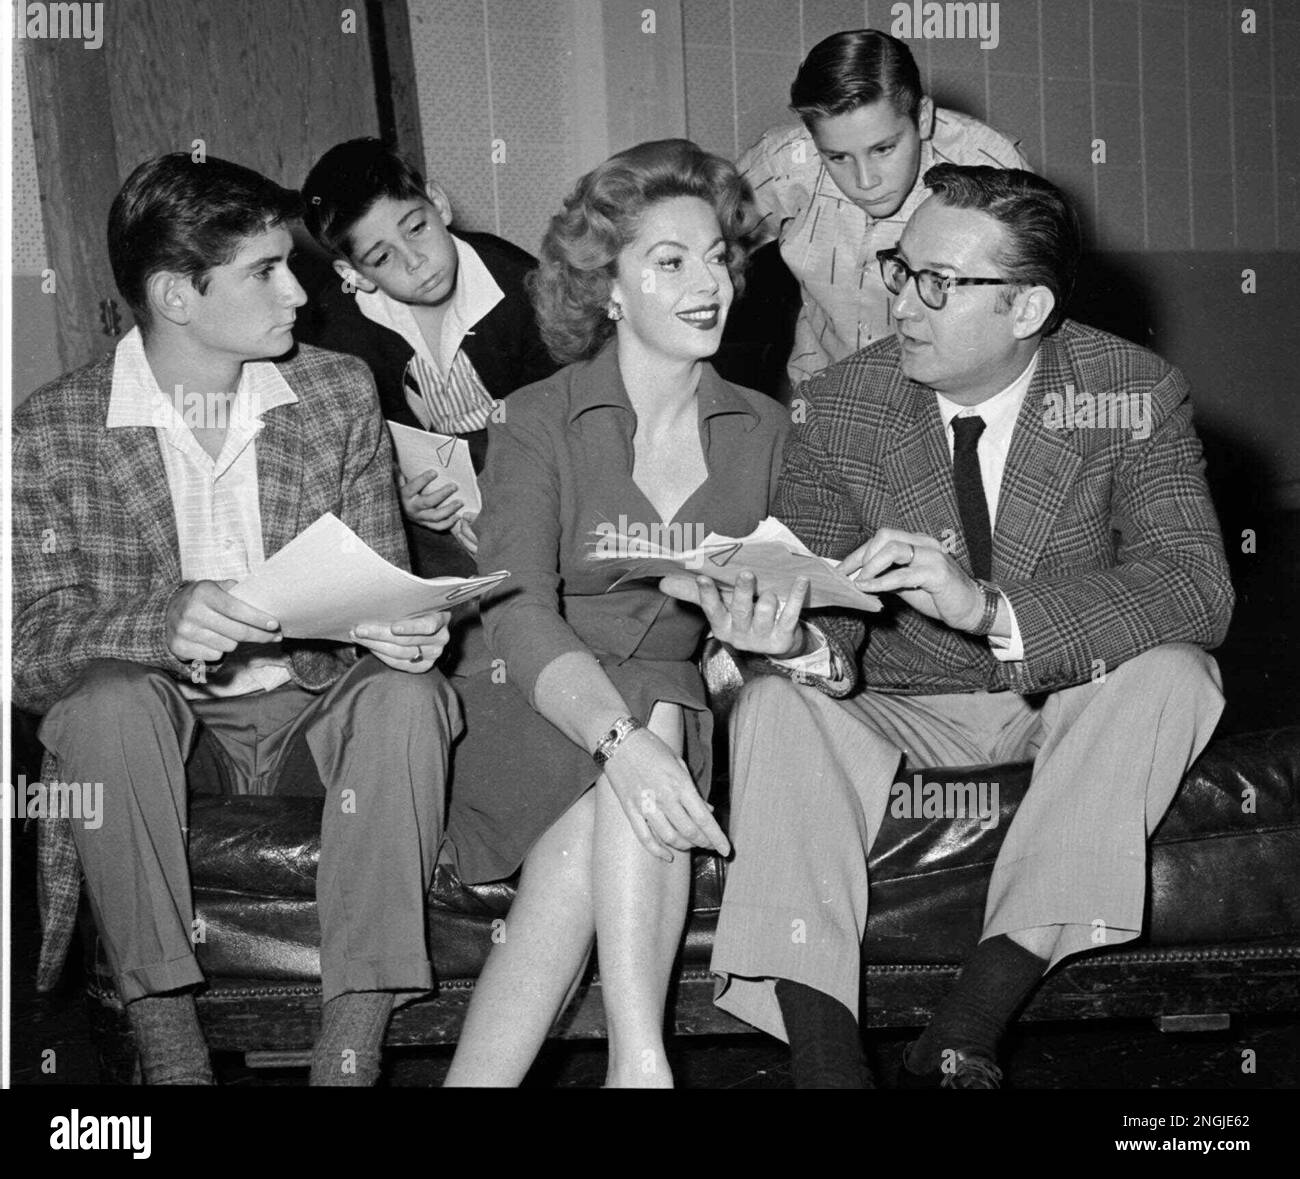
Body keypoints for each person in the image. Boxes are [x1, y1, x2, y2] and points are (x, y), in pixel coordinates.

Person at [662, 165, 1234, 1088]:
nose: (903, 305)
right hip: (900, 708)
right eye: (899, 269)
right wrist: (791, 638)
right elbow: (817, 594)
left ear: (1026, 307)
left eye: (939, 283)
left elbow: (1197, 585)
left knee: (1176, 672)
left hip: (1062, 700)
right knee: (773, 707)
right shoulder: (842, 403)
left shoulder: (1131, 391)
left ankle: (966, 1028)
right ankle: (826, 1060)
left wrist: (992, 610)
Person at [13, 153, 460, 1086]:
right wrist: (161, 620)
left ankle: (350, 1051)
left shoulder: (336, 392)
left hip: (315, 714)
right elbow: (25, 647)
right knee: (105, 704)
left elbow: (380, 585)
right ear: (177, 295)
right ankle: (172, 1049)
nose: (299, 291)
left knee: (409, 697)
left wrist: (403, 628)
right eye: (265, 270)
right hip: (167, 733)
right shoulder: (53, 429)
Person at [439, 139, 788, 1088]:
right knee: (647, 735)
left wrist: (767, 634)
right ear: (610, 289)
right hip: (531, 696)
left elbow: (784, 595)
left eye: (718, 255)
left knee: (660, 712)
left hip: (668, 691)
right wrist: (619, 740)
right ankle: (642, 1065)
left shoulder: (765, 425)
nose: (707, 280)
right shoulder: (533, 417)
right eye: (669, 261)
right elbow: (513, 610)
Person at [297, 138, 556, 578]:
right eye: (382, 257)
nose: (415, 261)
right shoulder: (341, 329)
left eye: (416, 228)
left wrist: (511, 500)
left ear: (438, 203)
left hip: (533, 459)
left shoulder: (521, 283)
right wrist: (399, 493)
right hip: (431, 485)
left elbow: (558, 411)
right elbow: (355, 449)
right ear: (354, 275)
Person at [738, 28, 1030, 389]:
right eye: (838, 156)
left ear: (922, 118)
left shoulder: (989, 165)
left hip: (950, 398)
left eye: (883, 149)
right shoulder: (784, 163)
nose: (864, 181)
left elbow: (1028, 316)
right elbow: (704, 249)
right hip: (823, 391)